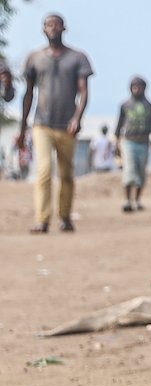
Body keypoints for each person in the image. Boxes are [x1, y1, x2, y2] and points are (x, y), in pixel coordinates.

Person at [16, 13, 92, 233]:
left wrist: (77, 118)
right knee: (44, 171)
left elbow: (84, 92)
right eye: (49, 25)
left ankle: (65, 217)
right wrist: (22, 130)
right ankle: (42, 219)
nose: (53, 29)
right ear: (43, 29)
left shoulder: (78, 58)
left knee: (67, 174)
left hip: (67, 125)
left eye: (57, 25)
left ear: (64, 28)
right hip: (42, 124)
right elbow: (28, 95)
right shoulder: (34, 58)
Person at [115, 76, 151, 212]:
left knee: (141, 172)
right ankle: (127, 201)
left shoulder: (148, 105)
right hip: (128, 141)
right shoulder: (125, 105)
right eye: (134, 87)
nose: (136, 90)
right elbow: (119, 124)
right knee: (129, 169)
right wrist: (116, 142)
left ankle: (137, 200)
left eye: (139, 87)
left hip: (144, 142)